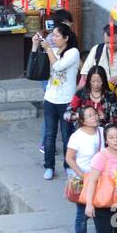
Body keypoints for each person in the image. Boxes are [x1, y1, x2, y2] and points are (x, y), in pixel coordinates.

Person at [36, 22, 81, 179]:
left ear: (66, 38)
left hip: (66, 101)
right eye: (52, 35)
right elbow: (37, 63)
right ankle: (49, 166)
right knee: (49, 135)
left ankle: (68, 166)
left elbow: (59, 66)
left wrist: (48, 49)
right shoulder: (52, 50)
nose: (53, 38)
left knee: (67, 135)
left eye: (56, 36)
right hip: (50, 99)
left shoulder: (73, 52)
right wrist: (36, 44)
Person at [64, 102, 103, 233]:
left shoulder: (102, 132)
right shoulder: (77, 136)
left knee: (102, 212)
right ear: (82, 120)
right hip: (83, 179)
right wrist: (81, 174)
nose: (93, 117)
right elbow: (69, 158)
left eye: (94, 114)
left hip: (100, 178)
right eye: (89, 116)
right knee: (82, 215)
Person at [36, 7, 75, 152]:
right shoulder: (54, 40)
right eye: (69, 23)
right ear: (63, 23)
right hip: (52, 80)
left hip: (57, 80)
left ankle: (48, 143)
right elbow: (56, 65)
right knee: (50, 113)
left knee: (52, 114)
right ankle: (45, 143)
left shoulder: (57, 38)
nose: (71, 26)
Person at [65, 64, 117, 131]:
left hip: (103, 133)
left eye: (99, 81)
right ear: (89, 81)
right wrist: (79, 116)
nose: (96, 84)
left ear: (104, 81)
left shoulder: (110, 96)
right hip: (84, 132)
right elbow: (66, 115)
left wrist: (106, 117)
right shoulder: (81, 93)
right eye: (93, 81)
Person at [78, 24, 117, 92]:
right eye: (107, 43)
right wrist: (97, 82)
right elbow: (85, 73)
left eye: (114, 43)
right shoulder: (97, 49)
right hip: (100, 93)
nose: (110, 46)